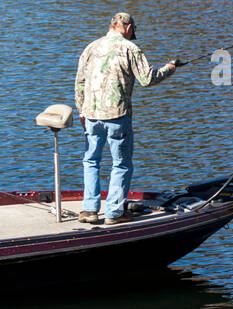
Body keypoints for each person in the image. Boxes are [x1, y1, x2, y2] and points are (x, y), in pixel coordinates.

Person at [73, 12, 185, 225]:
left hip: (91, 115)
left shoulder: (91, 47)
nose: (132, 34)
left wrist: (81, 110)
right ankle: (114, 213)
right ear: (127, 27)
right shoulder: (130, 48)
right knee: (121, 164)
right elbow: (147, 79)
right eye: (133, 30)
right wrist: (170, 68)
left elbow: (79, 82)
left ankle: (89, 210)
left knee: (91, 160)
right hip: (117, 115)